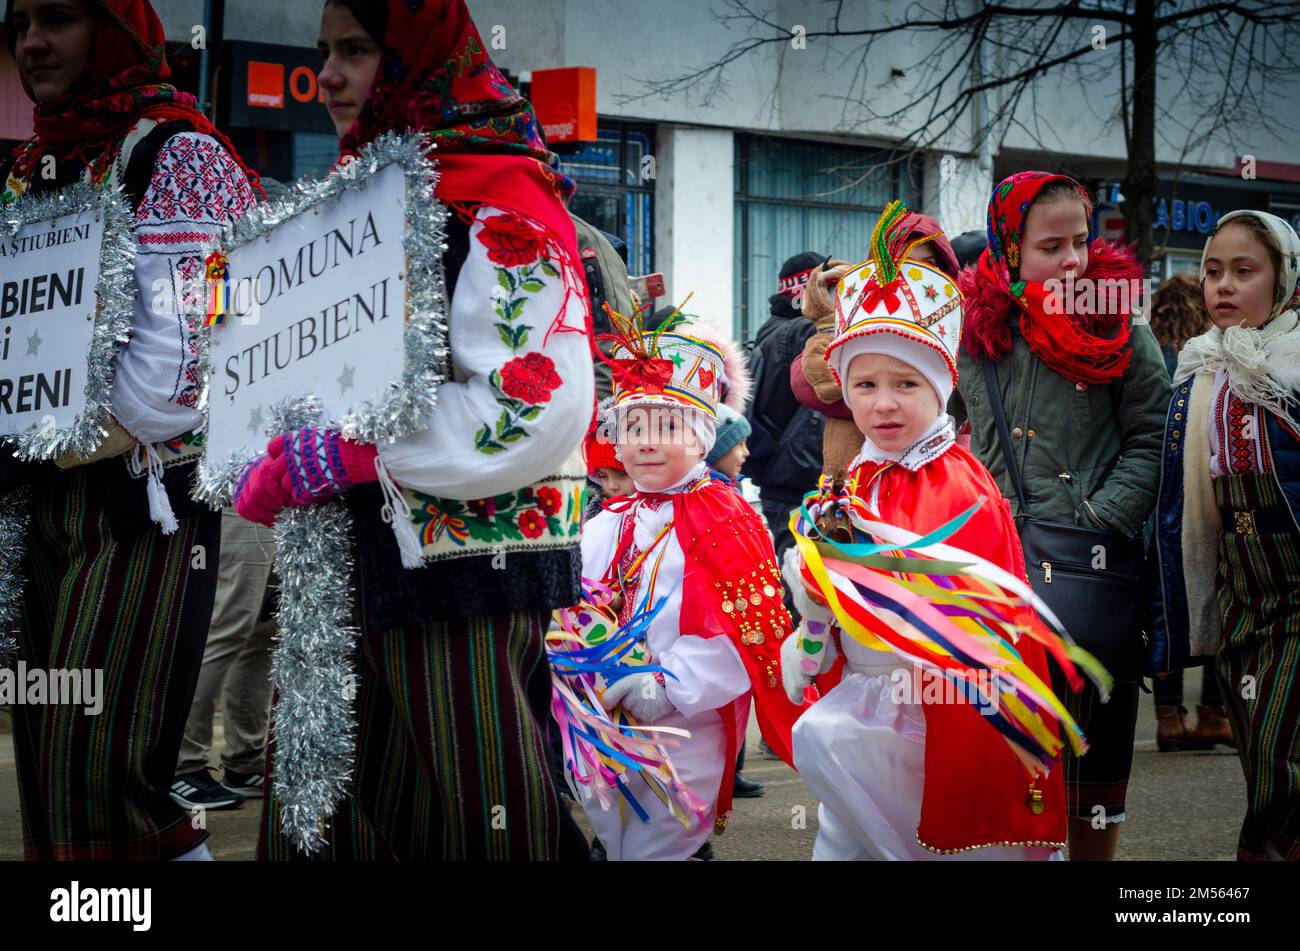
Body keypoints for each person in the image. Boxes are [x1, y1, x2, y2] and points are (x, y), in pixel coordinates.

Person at [238, 0, 593, 860]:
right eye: (323, 51)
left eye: (356, 50)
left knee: (481, 817)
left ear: (416, 58)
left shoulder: (497, 194)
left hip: (458, 579)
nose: (327, 74)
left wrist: (357, 455)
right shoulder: (356, 200)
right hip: (347, 569)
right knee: (338, 816)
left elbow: (535, 405)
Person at [1, 0, 259, 861]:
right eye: (21, 19)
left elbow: (183, 373)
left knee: (101, 772)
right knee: (48, 771)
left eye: (61, 18)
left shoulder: (181, 156)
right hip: (43, 506)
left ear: (114, 30)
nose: (33, 41)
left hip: (141, 515)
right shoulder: (40, 161)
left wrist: (25, 433)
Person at [776, 201, 1085, 861]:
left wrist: (843, 574)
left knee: (928, 836)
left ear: (942, 386)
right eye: (865, 382)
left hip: (931, 714)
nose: (883, 402)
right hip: (864, 703)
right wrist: (812, 615)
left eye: (905, 382)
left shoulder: (959, 486)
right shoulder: (858, 476)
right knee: (848, 839)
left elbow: (943, 609)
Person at [955, 171, 1169, 860]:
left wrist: (1102, 514)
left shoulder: (1121, 330)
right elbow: (923, 413)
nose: (1074, 260)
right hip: (995, 575)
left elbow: (1155, 434)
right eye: (1052, 246)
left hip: (1092, 574)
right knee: (1011, 765)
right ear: (1009, 248)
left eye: (1081, 240)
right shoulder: (975, 331)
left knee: (1096, 767)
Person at [575, 308, 798, 859]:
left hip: (685, 723)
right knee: (613, 831)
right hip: (604, 720)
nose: (648, 443)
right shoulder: (606, 523)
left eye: (669, 427)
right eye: (634, 428)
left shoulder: (726, 518)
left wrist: (667, 687)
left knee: (664, 838)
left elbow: (747, 626)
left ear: (703, 439)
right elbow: (576, 607)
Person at [1153, 210, 1300, 861]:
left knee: (1279, 760)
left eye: (1246, 270)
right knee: (1256, 755)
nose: (1224, 284)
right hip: (1240, 591)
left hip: (1296, 592)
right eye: (1214, 270)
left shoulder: (1294, 365)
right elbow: (1181, 500)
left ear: (1286, 279)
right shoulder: (1198, 368)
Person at [1145, 272, 1231, 751]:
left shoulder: (1153, 355)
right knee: (1215, 594)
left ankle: (1169, 719)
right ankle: (1214, 714)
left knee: (1166, 603)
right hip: (1203, 496)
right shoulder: (1209, 357)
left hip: (1158, 503)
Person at [170, 510, 278, 810]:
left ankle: (244, 762)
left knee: (262, 634)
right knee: (226, 628)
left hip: (280, 492)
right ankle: (182, 766)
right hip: (239, 488)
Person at [743, 252, 826, 607]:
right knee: (804, 592)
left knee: (791, 581)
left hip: (779, 480)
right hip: (802, 481)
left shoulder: (769, 330)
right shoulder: (804, 332)